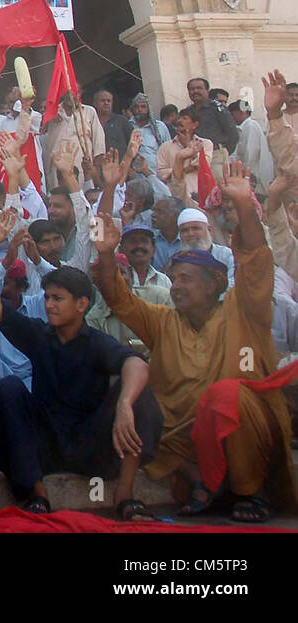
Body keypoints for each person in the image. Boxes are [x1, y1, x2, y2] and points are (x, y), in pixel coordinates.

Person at [93, 163, 297, 522]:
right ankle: (203, 480)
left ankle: (250, 492)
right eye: (173, 278)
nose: (176, 286)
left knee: (225, 396)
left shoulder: (243, 308)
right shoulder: (164, 320)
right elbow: (118, 298)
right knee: (149, 420)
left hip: (247, 427)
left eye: (186, 278)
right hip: (184, 441)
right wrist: (107, 253)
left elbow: (255, 262)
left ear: (214, 283)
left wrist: (244, 205)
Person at [0, 211, 164, 519]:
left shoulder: (95, 341)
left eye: (58, 299)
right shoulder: (39, 334)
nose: (49, 305)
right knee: (9, 389)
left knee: (139, 393)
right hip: (46, 443)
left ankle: (125, 496)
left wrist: (124, 405)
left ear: (81, 305)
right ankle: (37, 494)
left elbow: (136, 364)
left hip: (91, 444)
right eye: (47, 297)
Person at [156, 109, 214, 202]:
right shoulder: (165, 147)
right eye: (179, 118)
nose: (179, 121)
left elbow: (203, 165)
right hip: (175, 196)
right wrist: (183, 169)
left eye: (184, 118)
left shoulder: (205, 144)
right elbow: (161, 173)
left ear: (194, 125)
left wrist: (188, 146)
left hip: (198, 195)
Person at [186, 77, 238, 182]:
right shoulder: (187, 112)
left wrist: (223, 150)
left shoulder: (217, 109)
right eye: (192, 89)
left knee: (218, 189)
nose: (195, 91)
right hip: (195, 158)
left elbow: (233, 134)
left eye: (199, 88)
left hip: (216, 156)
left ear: (207, 91)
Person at [229, 99, 273, 190]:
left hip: (254, 177)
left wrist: (247, 175)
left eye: (233, 115)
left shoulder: (251, 126)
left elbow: (251, 154)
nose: (232, 118)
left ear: (242, 112)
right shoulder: (242, 128)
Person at [129, 93, 169, 173]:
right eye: (136, 107)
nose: (139, 109)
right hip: (135, 176)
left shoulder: (159, 127)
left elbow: (167, 150)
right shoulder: (127, 126)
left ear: (149, 109)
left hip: (157, 174)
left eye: (143, 107)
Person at [94, 90, 134, 157]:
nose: (106, 103)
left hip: (122, 165)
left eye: (108, 101)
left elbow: (133, 143)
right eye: (102, 101)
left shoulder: (121, 121)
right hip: (99, 165)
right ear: (95, 104)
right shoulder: (91, 122)